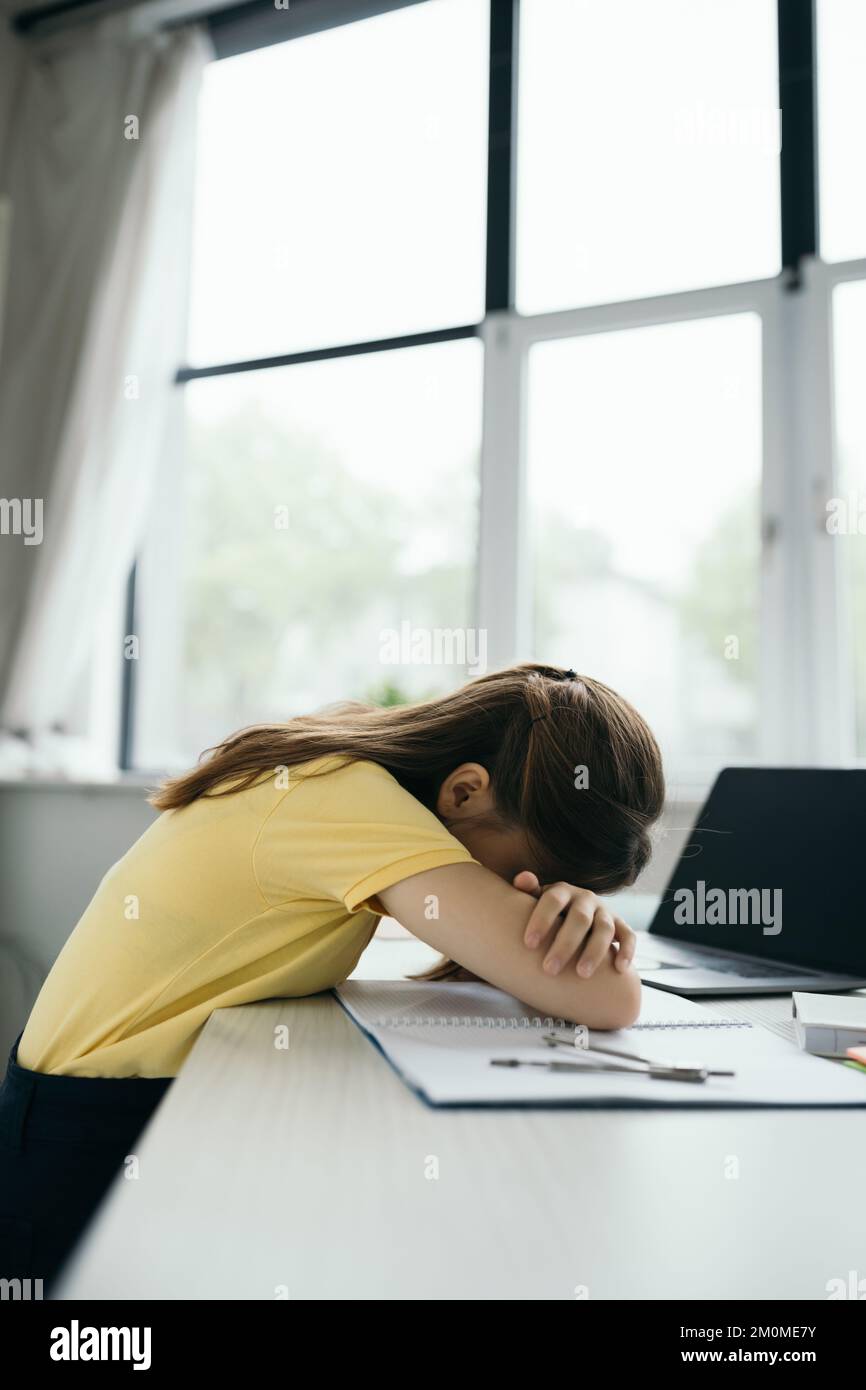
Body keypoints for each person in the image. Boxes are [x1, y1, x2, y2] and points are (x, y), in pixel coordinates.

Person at [0, 662, 664, 1289]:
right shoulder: (347, 797)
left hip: (104, 1103)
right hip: (78, 1137)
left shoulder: (342, 777)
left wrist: (561, 913)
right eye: (538, 878)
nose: (527, 894)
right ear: (465, 791)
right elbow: (611, 999)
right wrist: (572, 930)